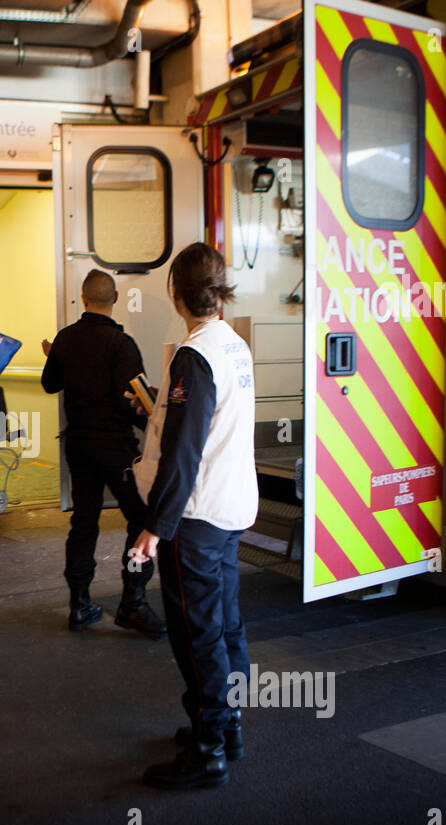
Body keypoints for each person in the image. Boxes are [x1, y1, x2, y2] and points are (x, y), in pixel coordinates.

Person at [128, 242, 257, 789]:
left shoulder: (195, 356)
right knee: (225, 625)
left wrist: (156, 526)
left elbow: (184, 453)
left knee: (197, 633)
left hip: (197, 517)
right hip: (230, 509)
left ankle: (208, 752)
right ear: (219, 291)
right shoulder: (234, 347)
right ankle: (226, 727)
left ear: (175, 293)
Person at [41, 269, 165, 636]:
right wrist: (157, 435)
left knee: (84, 522)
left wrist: (55, 357)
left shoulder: (65, 339)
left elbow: (51, 384)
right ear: (114, 301)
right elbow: (135, 399)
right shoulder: (121, 344)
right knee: (142, 520)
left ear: (83, 299)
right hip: (114, 446)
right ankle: (133, 604)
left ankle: (80, 606)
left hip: (78, 446)